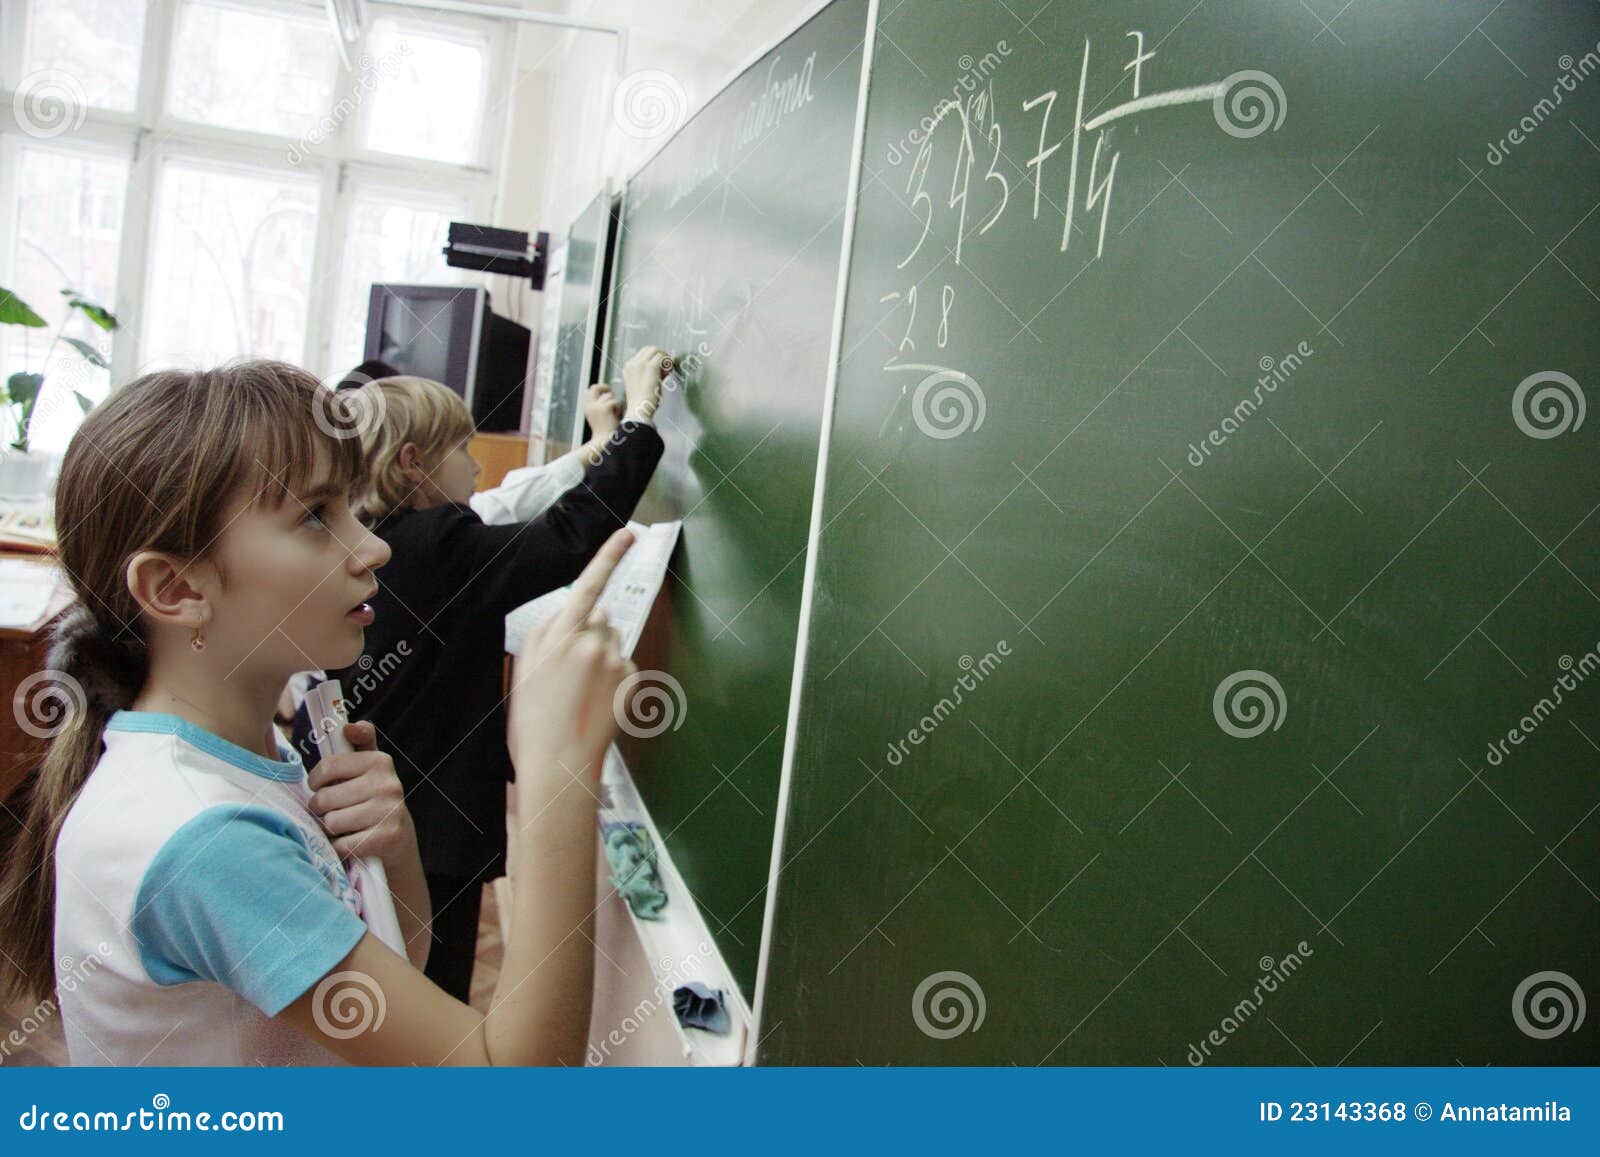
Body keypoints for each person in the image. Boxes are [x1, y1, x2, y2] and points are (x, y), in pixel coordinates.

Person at [0, 360, 639, 1064]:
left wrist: (392, 857)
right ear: (177, 587)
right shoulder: (206, 839)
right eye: (314, 517)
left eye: (346, 509)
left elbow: (391, 970)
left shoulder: (256, 749)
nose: (374, 546)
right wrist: (558, 775)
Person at [322, 346, 669, 1000]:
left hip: (399, 819)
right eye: (462, 448)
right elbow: (567, 537)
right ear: (413, 462)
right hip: (430, 831)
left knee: (409, 988)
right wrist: (643, 414)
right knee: (436, 999)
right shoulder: (435, 544)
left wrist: (600, 444)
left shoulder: (384, 539)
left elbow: (515, 509)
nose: (476, 463)